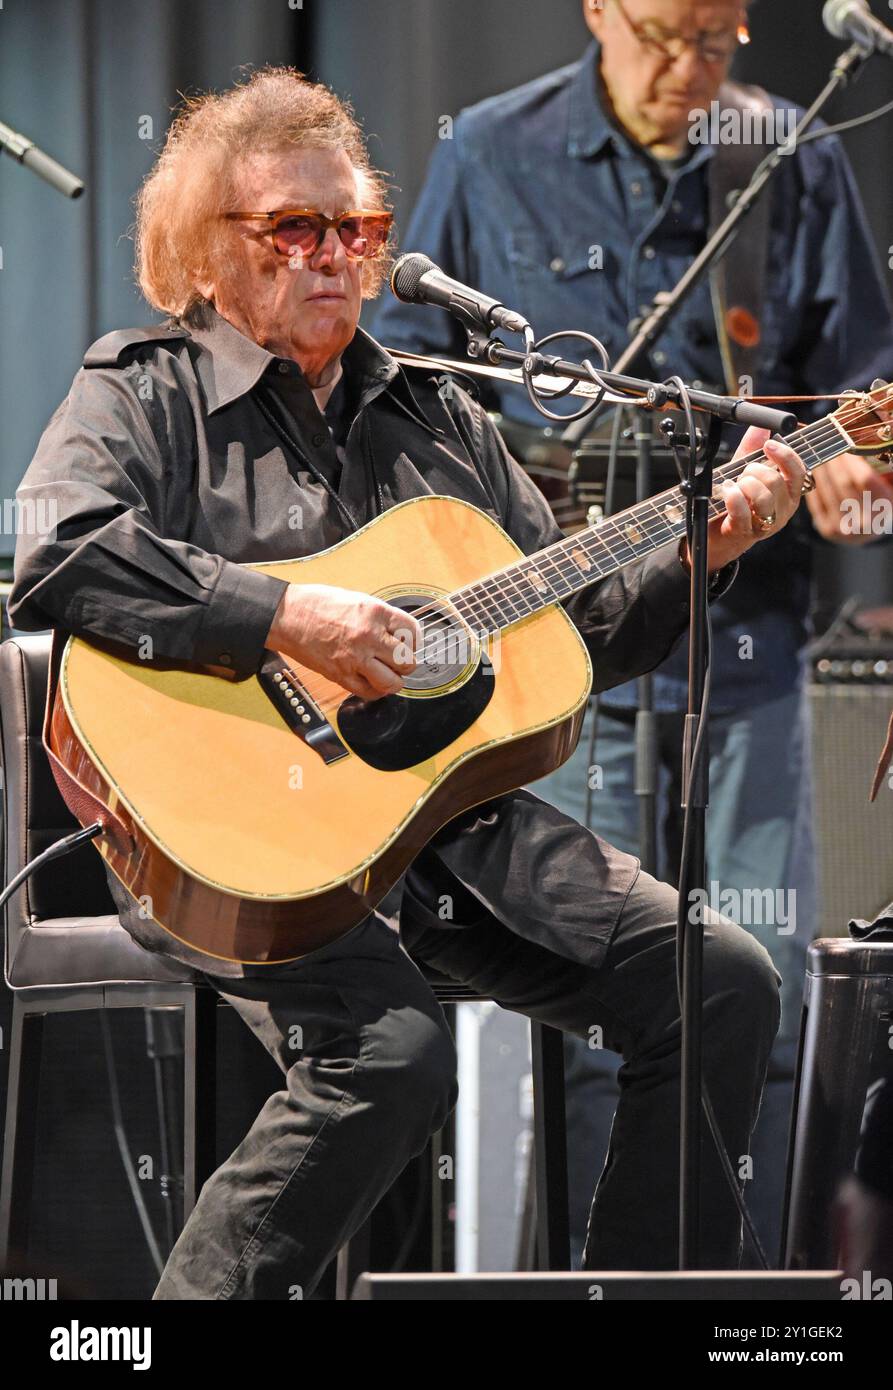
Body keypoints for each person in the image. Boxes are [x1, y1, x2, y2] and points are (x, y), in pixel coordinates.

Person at [10, 67, 811, 1298]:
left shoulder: (438, 416)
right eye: (295, 228)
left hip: (441, 830)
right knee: (387, 1053)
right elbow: (58, 549)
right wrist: (286, 615)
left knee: (719, 983)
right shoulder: (145, 387)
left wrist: (703, 549)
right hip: (229, 835)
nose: (334, 254)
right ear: (205, 250)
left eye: (356, 228)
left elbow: (576, 633)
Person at [373, 0, 893, 1263]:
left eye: (715, 40)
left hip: (738, 641)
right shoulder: (489, 149)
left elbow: (857, 385)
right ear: (598, 8)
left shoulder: (787, 151)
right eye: (660, 35)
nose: (687, 68)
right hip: (555, 648)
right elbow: (403, 381)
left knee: (758, 987)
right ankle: (585, 1285)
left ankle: (732, 1293)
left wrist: (846, 476)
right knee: (603, 996)